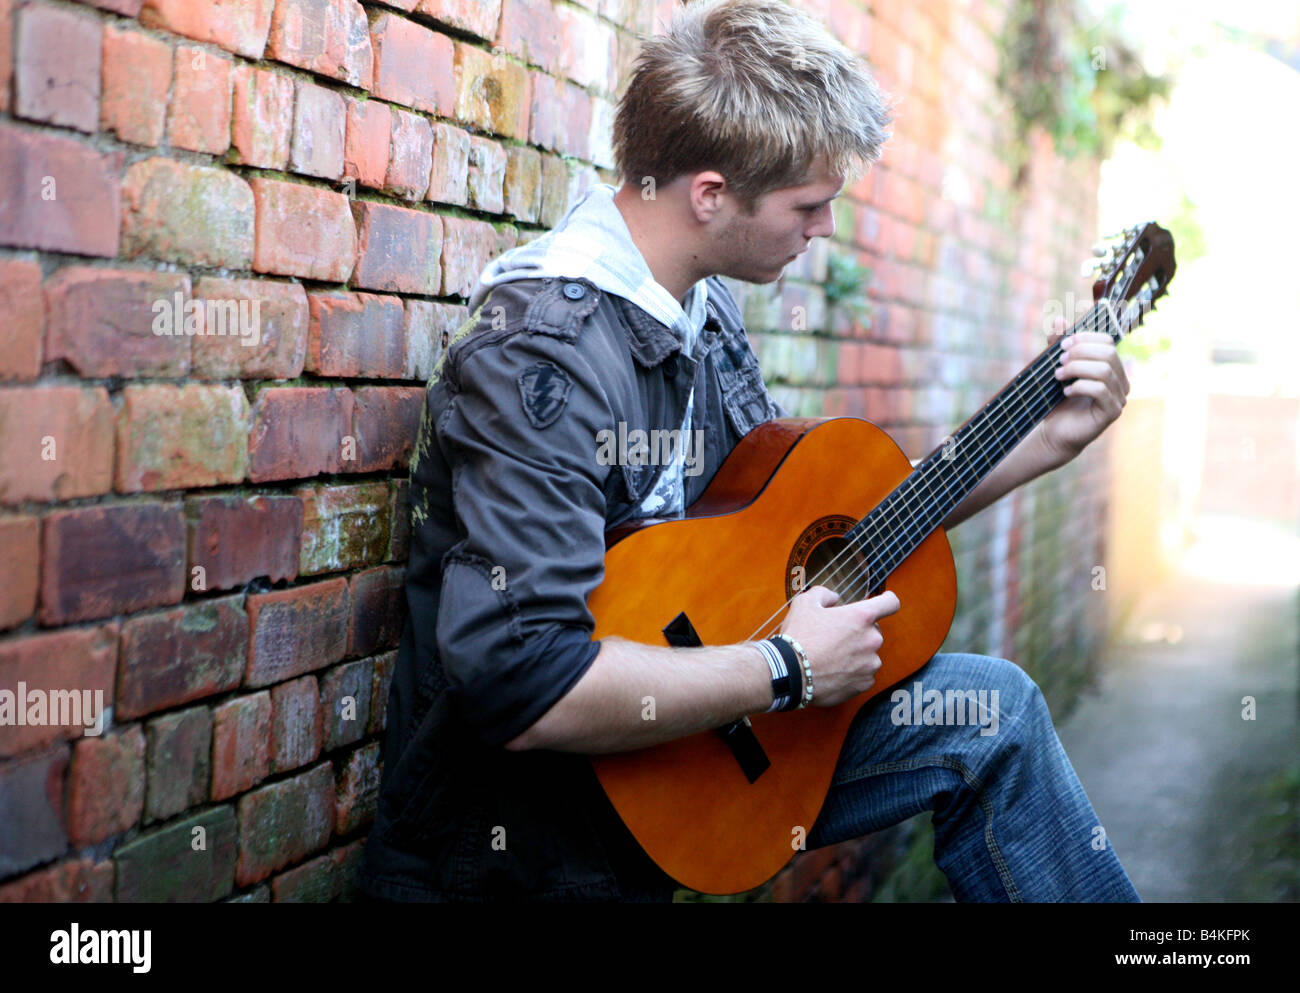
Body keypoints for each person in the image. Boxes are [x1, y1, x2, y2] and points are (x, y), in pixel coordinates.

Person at [354, 0, 1140, 903]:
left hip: (686, 758)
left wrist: (1042, 441)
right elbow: (521, 682)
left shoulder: (701, 308)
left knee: (988, 716)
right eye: (810, 206)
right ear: (711, 194)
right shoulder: (543, 355)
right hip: (517, 846)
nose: (825, 232)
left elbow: (803, 535)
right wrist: (785, 668)